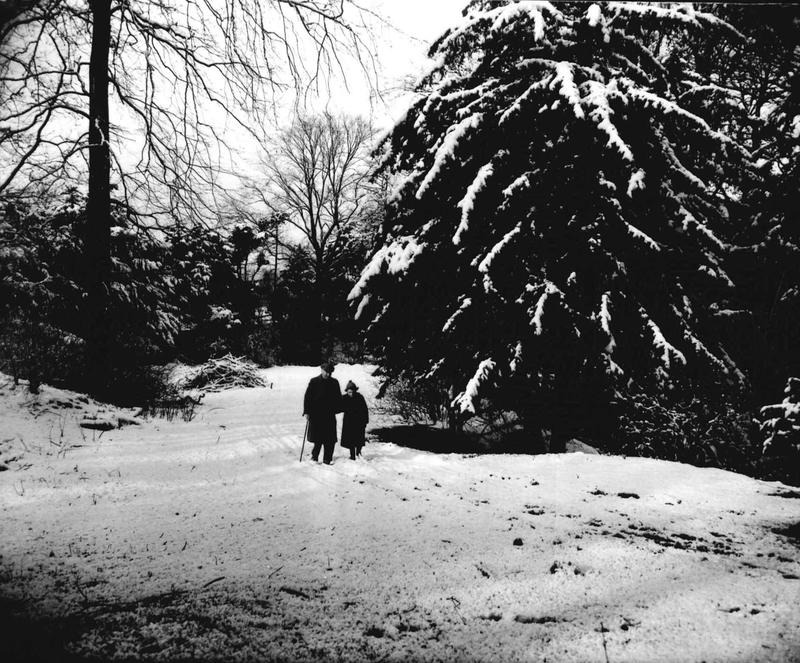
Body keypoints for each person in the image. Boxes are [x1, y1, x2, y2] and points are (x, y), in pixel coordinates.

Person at [303, 361, 342, 464]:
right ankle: (314, 457)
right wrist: (307, 411)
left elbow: (338, 398)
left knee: (330, 439)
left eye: (330, 373)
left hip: (329, 414)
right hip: (316, 414)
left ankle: (327, 459)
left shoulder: (334, 382)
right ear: (322, 370)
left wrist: (337, 408)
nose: (328, 374)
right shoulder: (314, 381)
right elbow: (307, 398)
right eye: (326, 372)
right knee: (317, 438)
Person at [340, 380, 368, 460]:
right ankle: (352, 455)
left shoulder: (360, 397)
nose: (351, 394)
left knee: (359, 438)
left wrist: (365, 421)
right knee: (350, 439)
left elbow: (365, 410)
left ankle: (358, 452)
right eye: (349, 392)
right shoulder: (344, 398)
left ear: (355, 391)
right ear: (347, 391)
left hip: (359, 421)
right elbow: (339, 407)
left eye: (352, 392)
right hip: (348, 422)